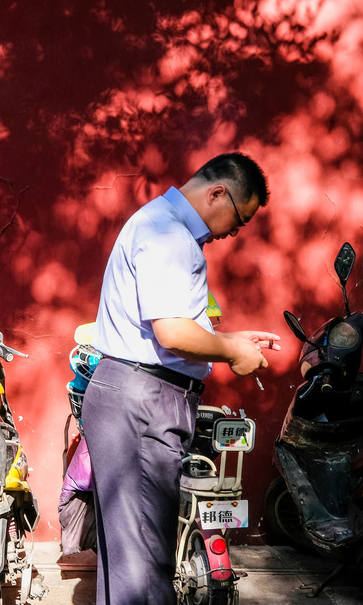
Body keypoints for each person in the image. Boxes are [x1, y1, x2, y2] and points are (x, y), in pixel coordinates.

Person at [82, 151, 280, 605]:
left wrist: (227, 337)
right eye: (238, 219)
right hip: (143, 401)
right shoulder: (171, 236)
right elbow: (171, 332)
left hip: (132, 396)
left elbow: (175, 325)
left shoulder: (158, 224)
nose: (232, 232)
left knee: (132, 560)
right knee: (145, 568)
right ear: (217, 193)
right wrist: (231, 350)